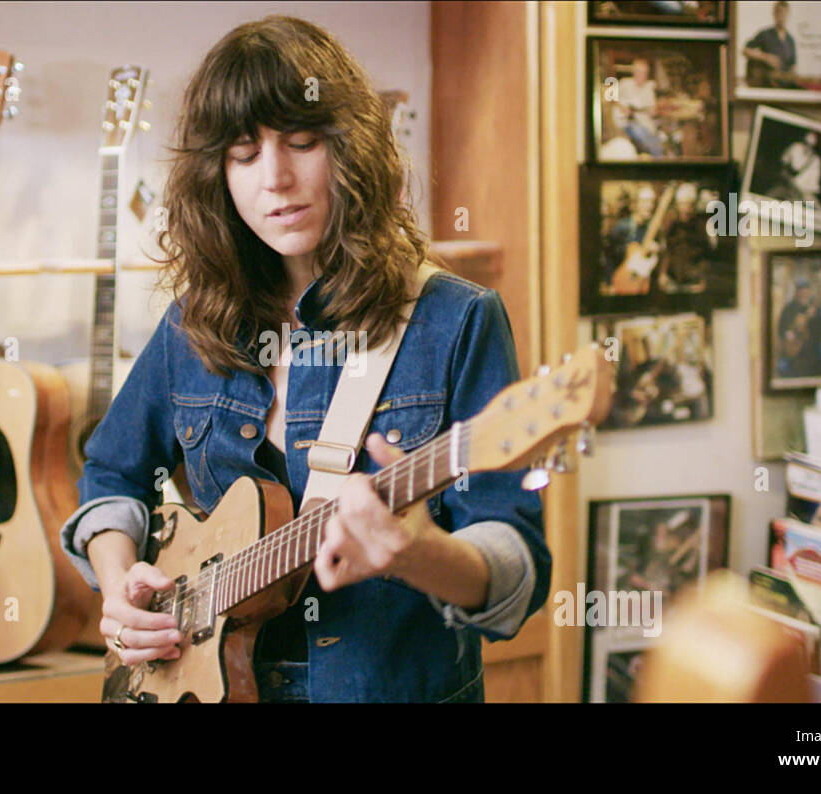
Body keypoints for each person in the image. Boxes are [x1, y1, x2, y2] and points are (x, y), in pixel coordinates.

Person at [58, 15, 549, 703]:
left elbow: (518, 573)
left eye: (303, 142)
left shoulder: (457, 320)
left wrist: (419, 554)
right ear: (215, 176)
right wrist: (119, 590)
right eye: (244, 153)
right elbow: (110, 473)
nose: (277, 179)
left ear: (351, 152)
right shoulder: (192, 324)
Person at [610, 57, 664, 157]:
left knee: (659, 139)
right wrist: (623, 107)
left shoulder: (649, 88)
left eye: (644, 72)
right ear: (633, 72)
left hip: (645, 122)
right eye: (638, 72)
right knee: (647, 139)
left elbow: (651, 109)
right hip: (627, 121)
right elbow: (612, 98)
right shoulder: (625, 83)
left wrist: (654, 112)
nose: (641, 75)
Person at [743, 1, 801, 88]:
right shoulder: (765, 34)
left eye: (784, 13)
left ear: (788, 14)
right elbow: (746, 50)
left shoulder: (790, 40)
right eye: (779, 12)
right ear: (774, 14)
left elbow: (793, 67)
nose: (781, 16)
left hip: (783, 86)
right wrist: (766, 57)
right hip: (766, 84)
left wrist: (789, 76)